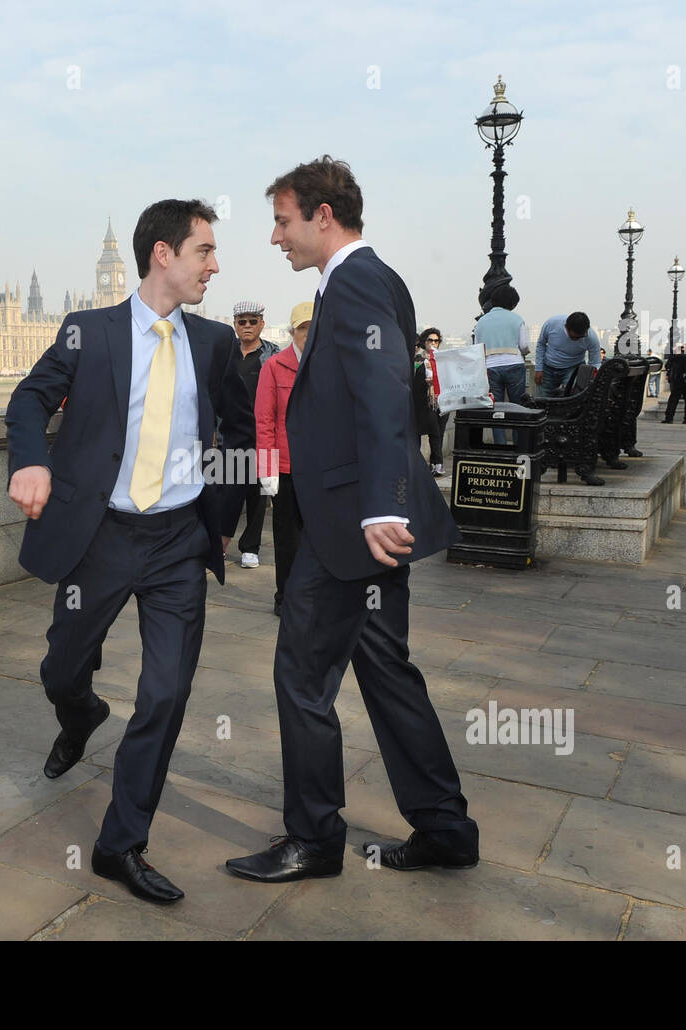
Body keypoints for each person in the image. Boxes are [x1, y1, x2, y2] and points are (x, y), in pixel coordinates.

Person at [226, 156, 477, 884]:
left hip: (352, 527)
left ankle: (313, 839)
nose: (276, 237)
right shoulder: (377, 278)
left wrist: (382, 506)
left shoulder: (357, 280)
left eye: (282, 220)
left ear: (322, 216)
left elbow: (382, 394)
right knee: (386, 672)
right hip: (359, 520)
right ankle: (445, 827)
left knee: (301, 675)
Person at [5, 199, 233, 905]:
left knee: (165, 694)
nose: (215, 265)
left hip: (176, 543)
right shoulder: (89, 332)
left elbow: (247, 430)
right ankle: (79, 715)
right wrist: (31, 460)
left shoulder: (216, 342)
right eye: (204, 251)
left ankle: (120, 844)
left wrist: (222, 513)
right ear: (162, 254)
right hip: (99, 536)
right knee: (60, 667)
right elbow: (27, 401)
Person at [256, 302, 310, 615]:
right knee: (288, 540)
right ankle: (285, 597)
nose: (308, 333)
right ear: (292, 332)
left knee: (318, 538)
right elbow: (264, 420)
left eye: (312, 327)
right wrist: (268, 469)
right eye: (302, 328)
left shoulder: (328, 364)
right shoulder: (274, 367)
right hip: (287, 470)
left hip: (320, 469)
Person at [218, 300, 279, 569]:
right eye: (242, 321)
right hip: (229, 436)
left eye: (252, 321)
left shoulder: (274, 356)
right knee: (223, 492)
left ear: (261, 324)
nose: (247, 326)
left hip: (266, 435)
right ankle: (218, 544)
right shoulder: (225, 355)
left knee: (260, 494)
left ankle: (250, 548)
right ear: (235, 325)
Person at [474, 282, 530, 444]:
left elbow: (477, 349)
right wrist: (522, 353)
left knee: (495, 409)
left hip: (490, 367)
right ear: (512, 303)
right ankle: (519, 445)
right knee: (518, 408)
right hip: (514, 364)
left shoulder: (481, 322)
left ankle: (500, 445)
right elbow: (524, 346)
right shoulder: (517, 319)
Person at [535, 312, 601, 396]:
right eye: (574, 337)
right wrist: (539, 368)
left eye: (580, 337)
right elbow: (541, 344)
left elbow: (595, 363)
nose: (577, 339)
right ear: (566, 327)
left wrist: (590, 381)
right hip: (548, 368)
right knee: (541, 401)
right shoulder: (552, 323)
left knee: (573, 399)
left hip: (573, 369)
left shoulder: (591, 337)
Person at [416, 329, 447, 473]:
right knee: (434, 431)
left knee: (439, 432)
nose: (433, 343)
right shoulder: (418, 361)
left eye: (436, 341)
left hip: (443, 401)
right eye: (430, 340)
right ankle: (438, 463)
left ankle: (435, 463)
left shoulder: (443, 359)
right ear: (424, 342)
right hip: (425, 402)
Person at [662, 346, 686, 424]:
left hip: (679, 381)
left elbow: (667, 365)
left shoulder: (677, 357)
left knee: (673, 399)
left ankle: (669, 418)